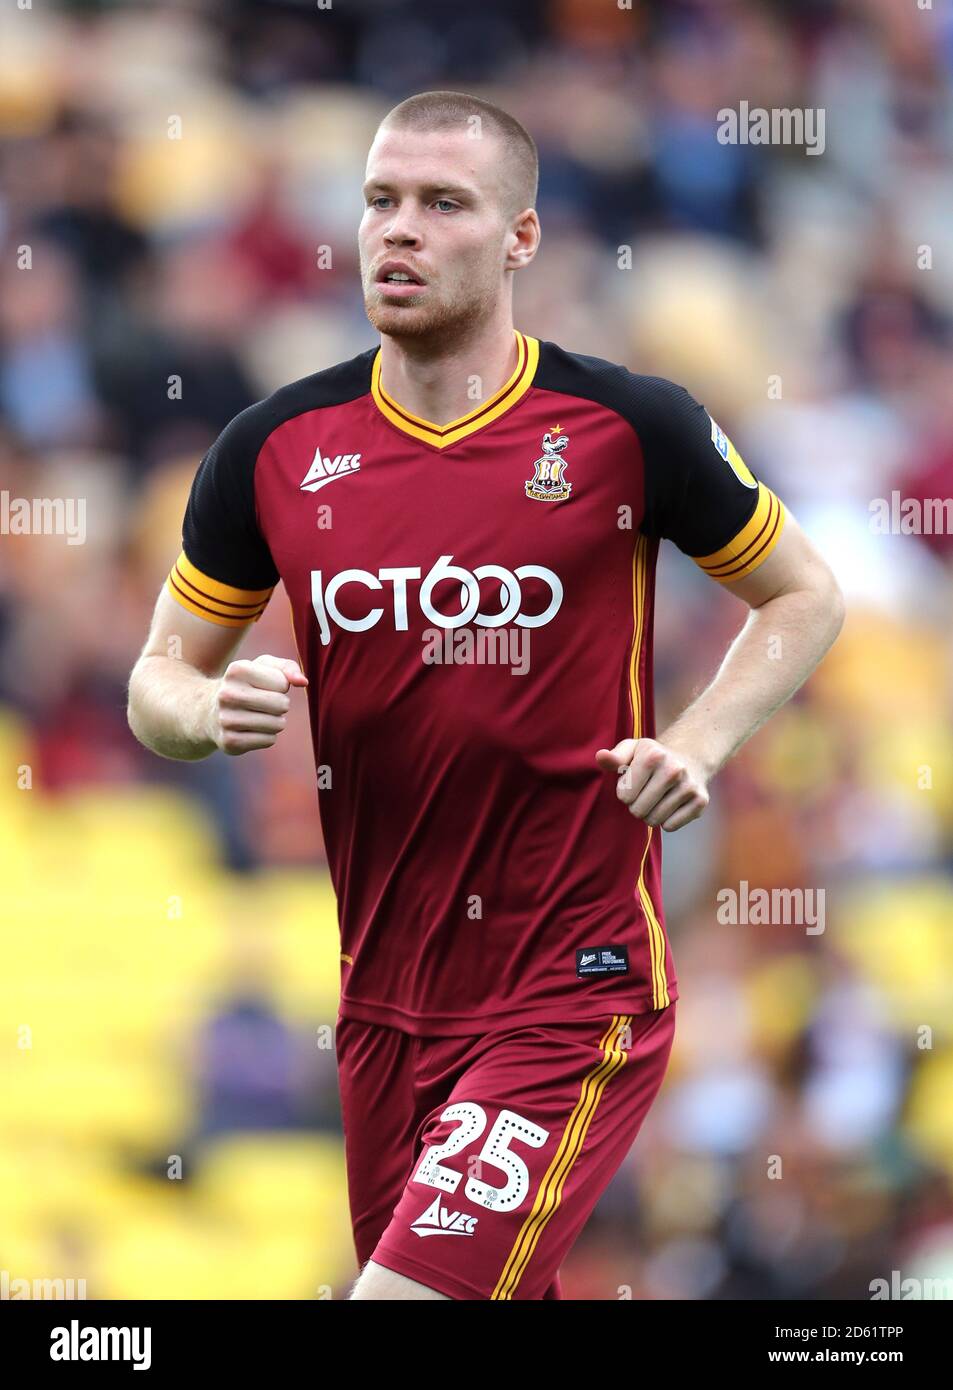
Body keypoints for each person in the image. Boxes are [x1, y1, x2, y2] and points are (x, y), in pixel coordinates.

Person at [126, 91, 845, 1301]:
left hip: (571, 986)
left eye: (440, 204)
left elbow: (802, 595)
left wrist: (700, 741)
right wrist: (204, 714)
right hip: (382, 1006)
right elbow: (158, 677)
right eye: (378, 201)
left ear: (518, 238)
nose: (396, 231)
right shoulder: (276, 447)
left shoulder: (627, 426)